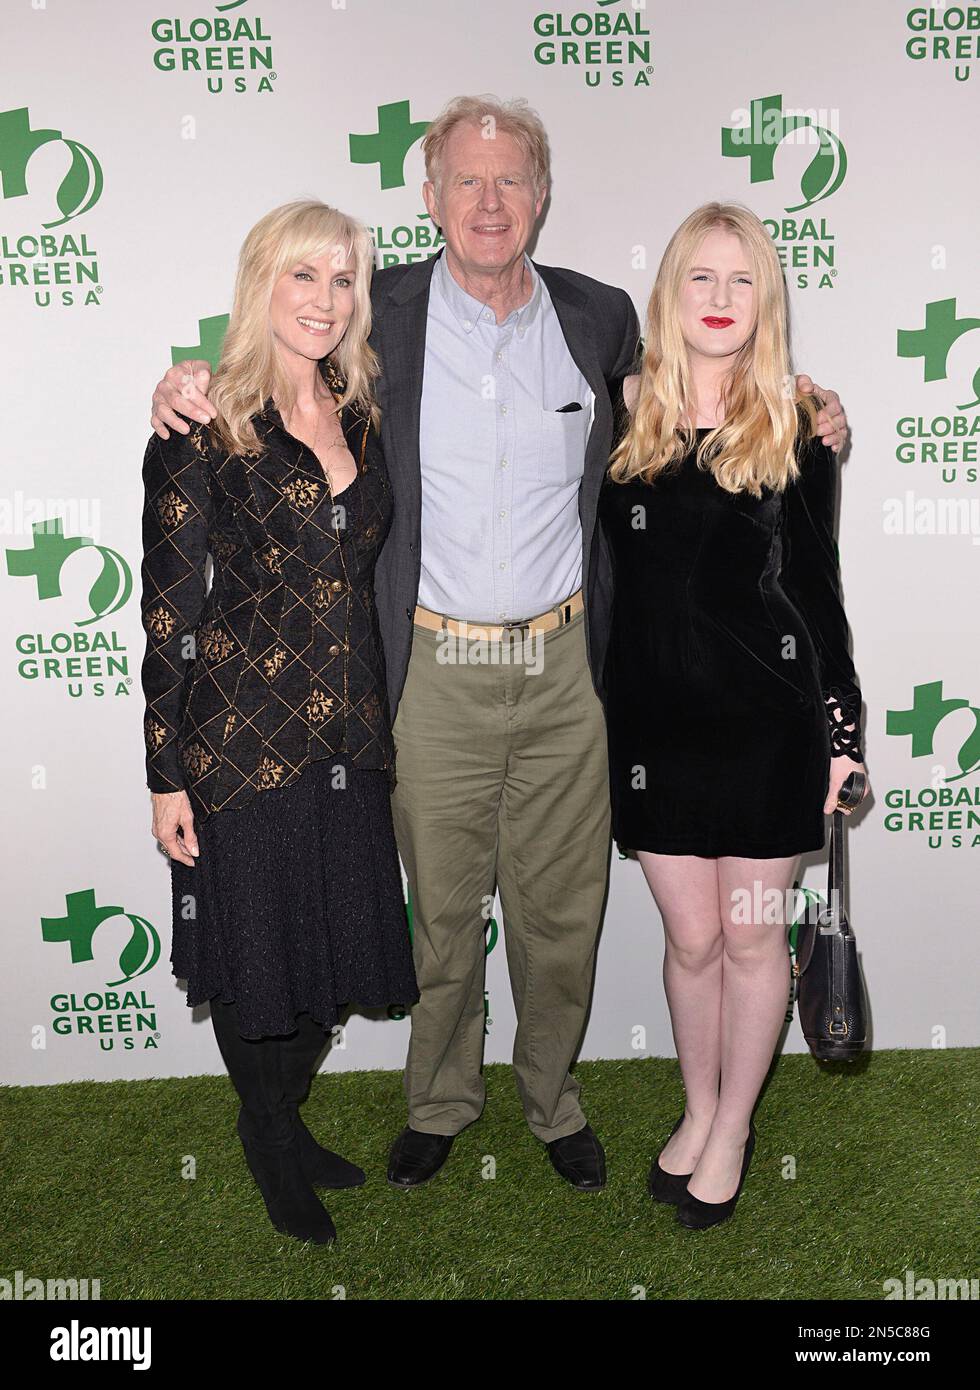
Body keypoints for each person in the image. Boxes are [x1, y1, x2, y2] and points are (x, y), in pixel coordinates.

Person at [148, 96, 849, 1196]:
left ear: (540, 196)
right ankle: (438, 1099)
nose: (487, 202)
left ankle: (550, 1099)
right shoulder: (375, 312)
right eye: (463, 180)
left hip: (571, 669)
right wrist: (182, 384)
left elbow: (699, 397)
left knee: (561, 913)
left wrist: (812, 410)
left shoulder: (599, 317)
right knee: (439, 908)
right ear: (428, 195)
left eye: (509, 180)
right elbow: (271, 366)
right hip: (428, 671)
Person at [140, 199, 418, 1247]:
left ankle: (279, 1116)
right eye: (303, 276)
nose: (325, 299)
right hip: (240, 744)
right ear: (262, 281)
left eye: (342, 280)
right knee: (259, 962)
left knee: (336, 957)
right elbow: (169, 607)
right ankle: (268, 1135)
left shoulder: (361, 409)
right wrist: (166, 772)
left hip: (350, 736)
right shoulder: (201, 416)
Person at [599, 202, 870, 1230]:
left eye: (739, 280)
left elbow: (820, 594)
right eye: (698, 279)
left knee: (753, 941)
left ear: (766, 302)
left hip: (767, 732)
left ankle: (734, 1128)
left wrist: (839, 744)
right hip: (652, 733)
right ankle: (700, 1103)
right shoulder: (619, 409)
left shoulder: (797, 424)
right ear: (669, 293)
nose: (717, 300)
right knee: (689, 941)